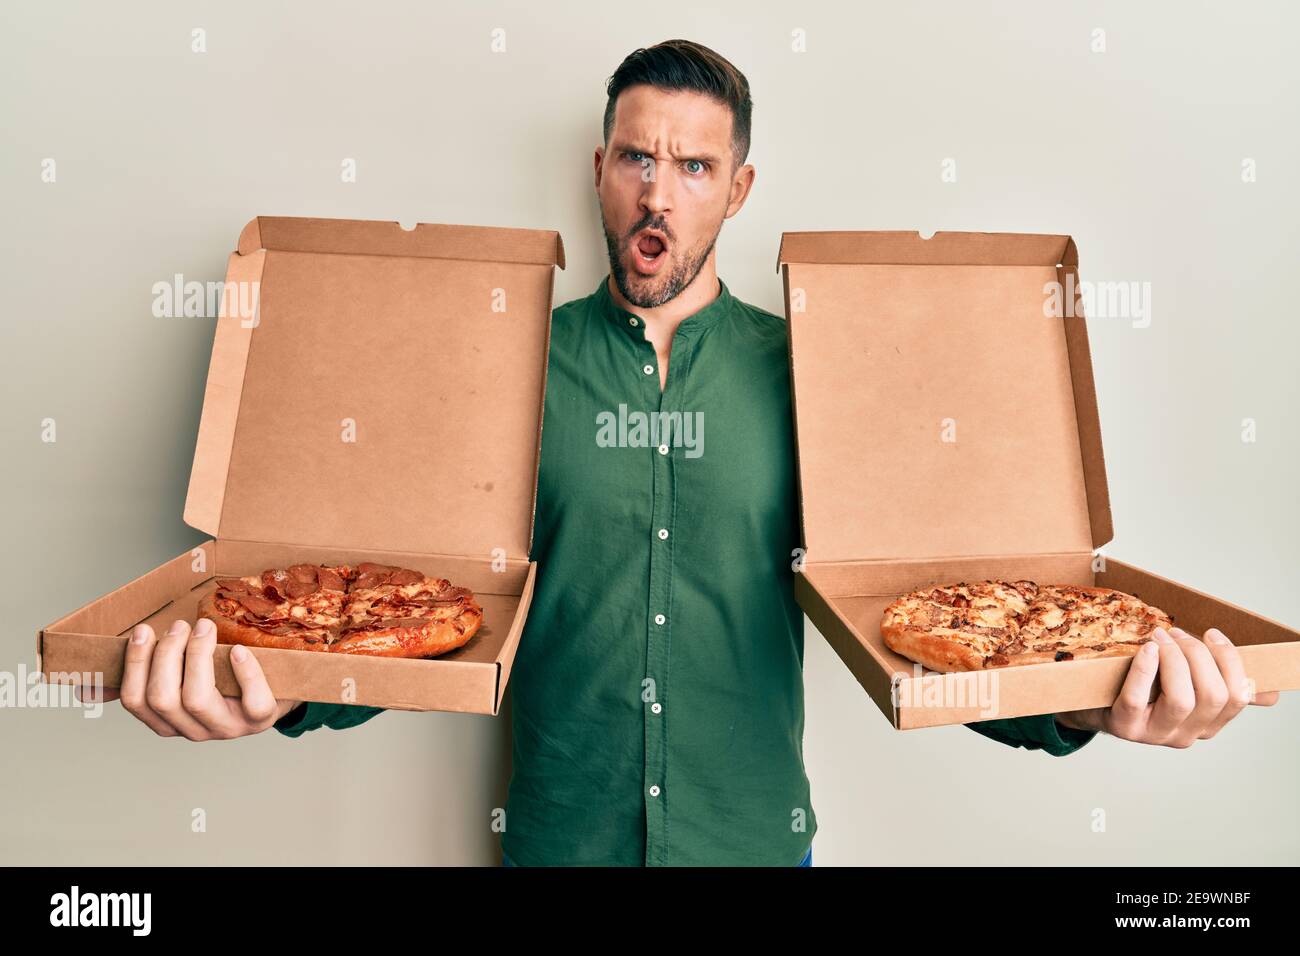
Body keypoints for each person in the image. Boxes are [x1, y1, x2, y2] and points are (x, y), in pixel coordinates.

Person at [79, 39, 1279, 867]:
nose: (659, 191)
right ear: (597, 169)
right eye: (635, 157)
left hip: (757, 842)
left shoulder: (819, 373)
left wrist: (1075, 710)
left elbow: (926, 616)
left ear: (739, 189)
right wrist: (269, 692)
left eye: (694, 166)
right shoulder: (494, 365)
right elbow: (413, 606)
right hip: (553, 841)